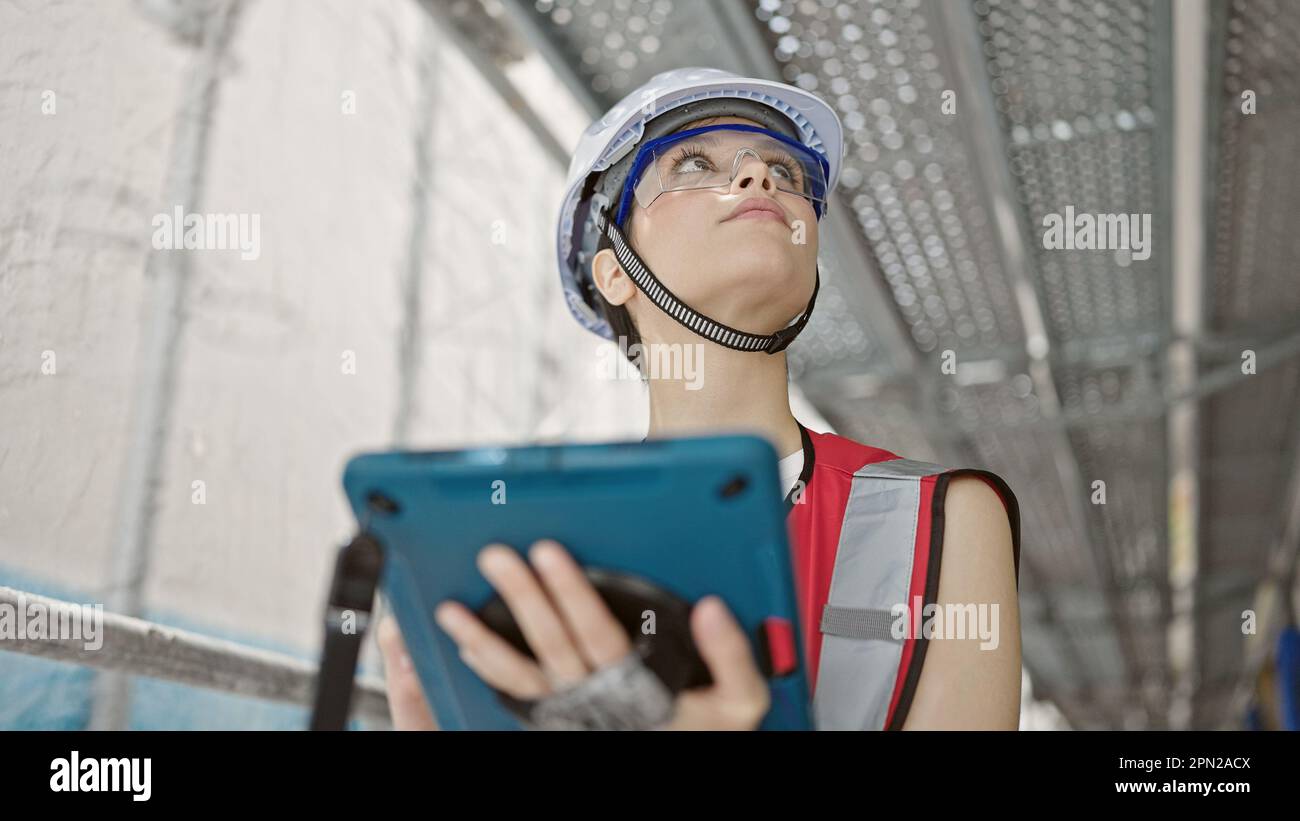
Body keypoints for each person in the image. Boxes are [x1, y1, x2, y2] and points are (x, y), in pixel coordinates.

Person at [377, 67, 1022, 730]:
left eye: (788, 172)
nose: (759, 177)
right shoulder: (542, 550)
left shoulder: (938, 518)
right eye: (691, 161)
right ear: (615, 271)